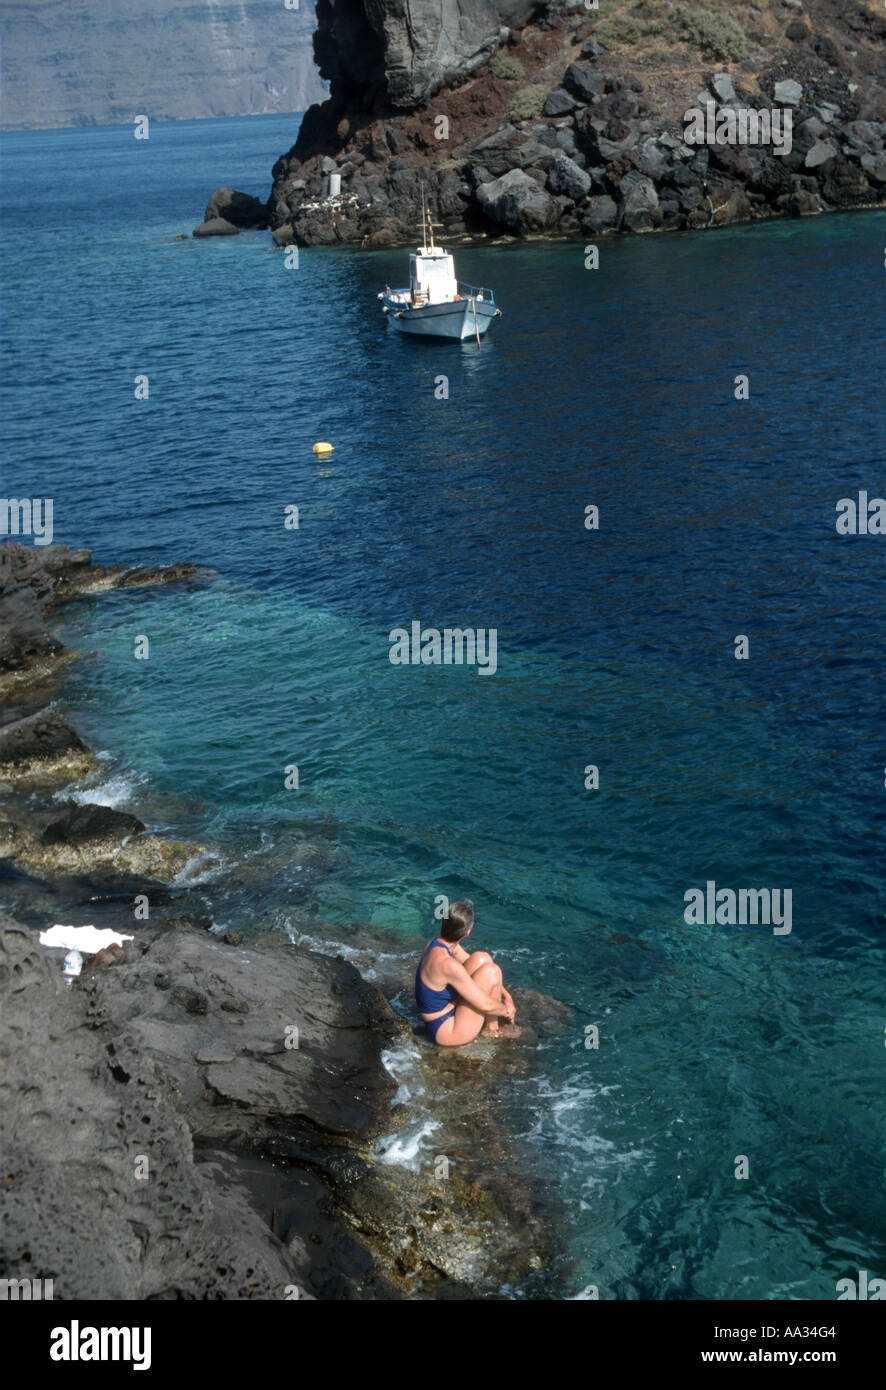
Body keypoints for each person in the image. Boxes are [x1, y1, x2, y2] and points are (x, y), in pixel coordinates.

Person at [414, 899, 518, 1047]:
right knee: (492, 971)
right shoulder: (447, 964)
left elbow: (476, 962)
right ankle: (491, 1031)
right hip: (445, 1030)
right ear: (467, 932)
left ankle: (490, 1026)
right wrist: (507, 1011)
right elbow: (486, 1005)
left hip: (446, 1010)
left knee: (483, 958)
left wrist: (507, 996)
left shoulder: (435, 944)